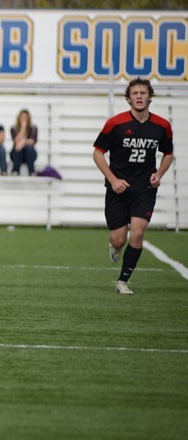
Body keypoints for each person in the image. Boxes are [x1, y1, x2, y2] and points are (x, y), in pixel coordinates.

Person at [94, 78, 174, 295]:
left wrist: (159, 174)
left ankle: (122, 281)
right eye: (135, 93)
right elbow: (98, 153)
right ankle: (114, 246)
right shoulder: (115, 123)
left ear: (150, 97)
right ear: (129, 98)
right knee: (119, 239)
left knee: (137, 234)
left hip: (144, 189)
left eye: (143, 93)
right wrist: (113, 180)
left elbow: (168, 154)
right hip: (118, 189)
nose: (139, 96)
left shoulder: (162, 126)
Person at [10, 109, 38, 176]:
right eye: (22, 117)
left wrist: (23, 141)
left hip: (29, 155)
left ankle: (31, 171)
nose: (24, 119)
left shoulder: (33, 128)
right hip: (17, 155)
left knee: (29, 148)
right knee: (17, 150)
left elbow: (33, 141)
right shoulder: (13, 128)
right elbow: (16, 142)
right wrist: (23, 128)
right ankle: (16, 170)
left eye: (26, 118)